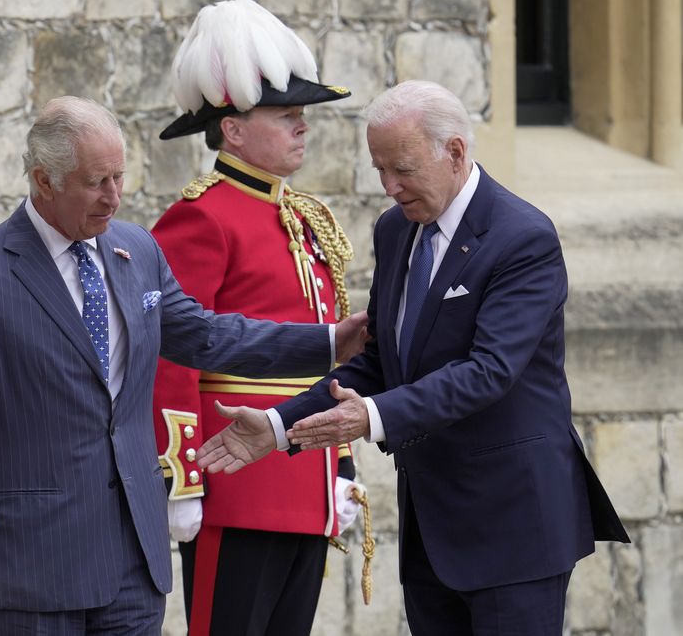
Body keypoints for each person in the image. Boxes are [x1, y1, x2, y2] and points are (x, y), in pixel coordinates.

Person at [0, 96, 367, 635]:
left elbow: (205, 335)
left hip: (132, 556)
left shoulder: (136, 249)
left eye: (119, 177)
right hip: (31, 561)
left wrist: (329, 342)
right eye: (96, 181)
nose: (113, 197)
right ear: (44, 180)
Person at [198, 80, 631, 635]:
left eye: (401, 169)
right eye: (379, 170)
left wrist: (371, 418)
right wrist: (280, 426)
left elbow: (489, 371)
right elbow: (378, 362)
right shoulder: (396, 230)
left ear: (454, 152)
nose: (389, 187)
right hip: (432, 525)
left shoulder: (523, 238)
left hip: (514, 525)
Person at [151, 0, 367, 636]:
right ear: (235, 129)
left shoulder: (304, 216)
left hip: (307, 474)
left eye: (304, 114)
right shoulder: (201, 215)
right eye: (286, 114)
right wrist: (184, 475)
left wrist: (343, 464)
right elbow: (175, 351)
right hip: (237, 483)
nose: (303, 125)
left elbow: (335, 361)